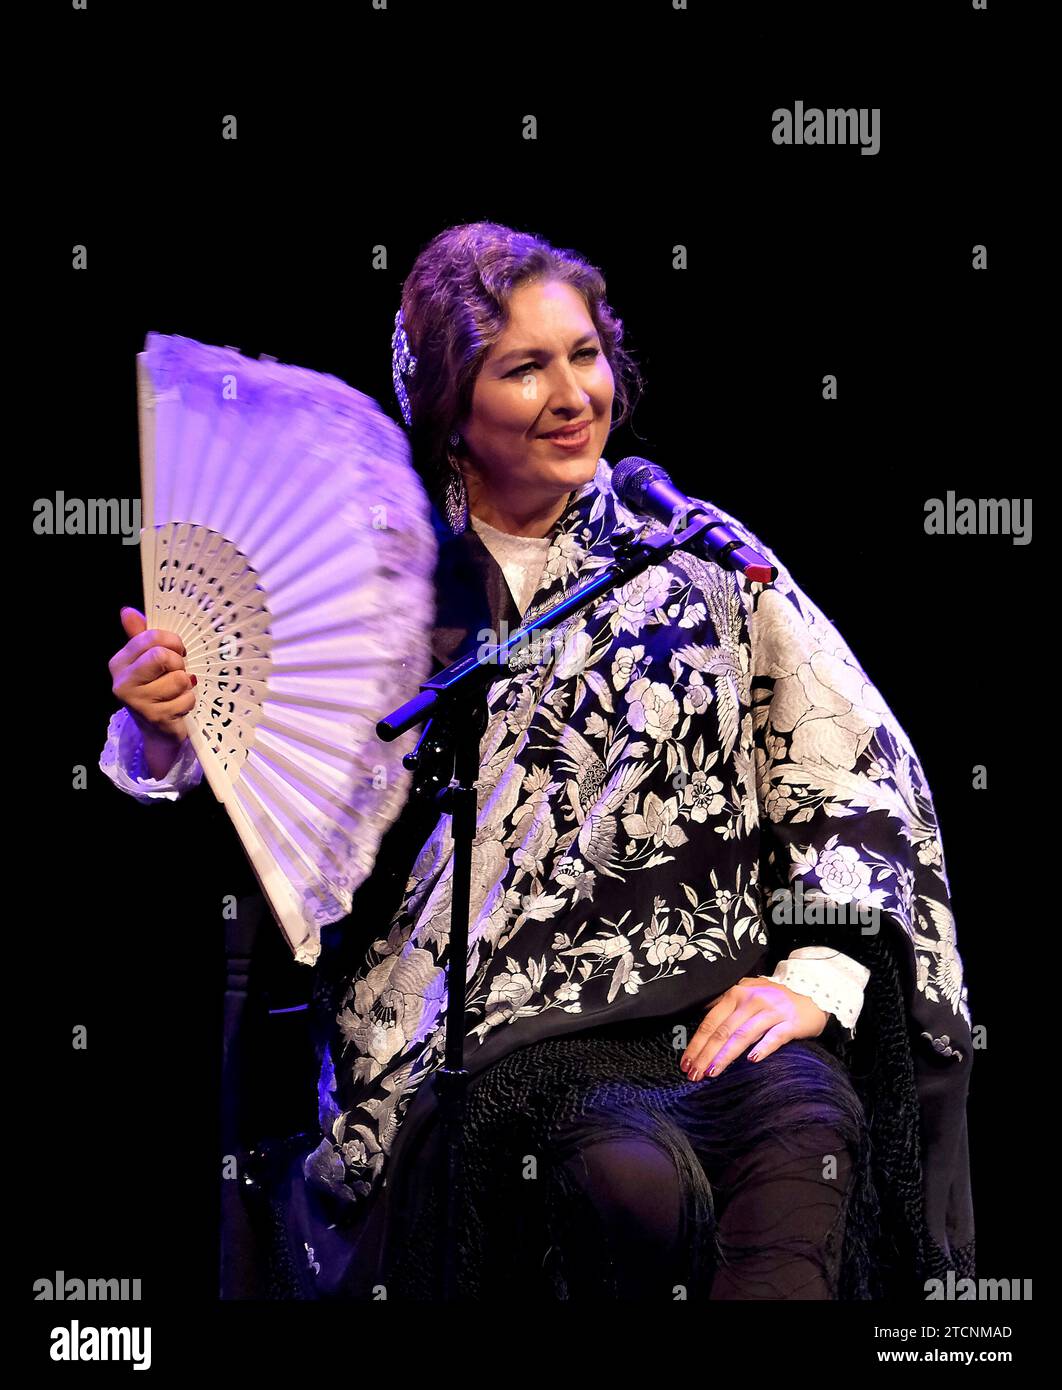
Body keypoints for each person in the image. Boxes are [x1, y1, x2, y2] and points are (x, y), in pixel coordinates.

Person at [101, 221, 974, 1301]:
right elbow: (289, 813)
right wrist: (162, 733)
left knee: (811, 1120)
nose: (574, 394)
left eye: (586, 353)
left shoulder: (695, 554)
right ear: (453, 411)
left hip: (694, 999)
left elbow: (858, 779)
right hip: (486, 1037)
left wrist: (817, 975)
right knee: (624, 1179)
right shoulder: (383, 591)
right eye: (525, 368)